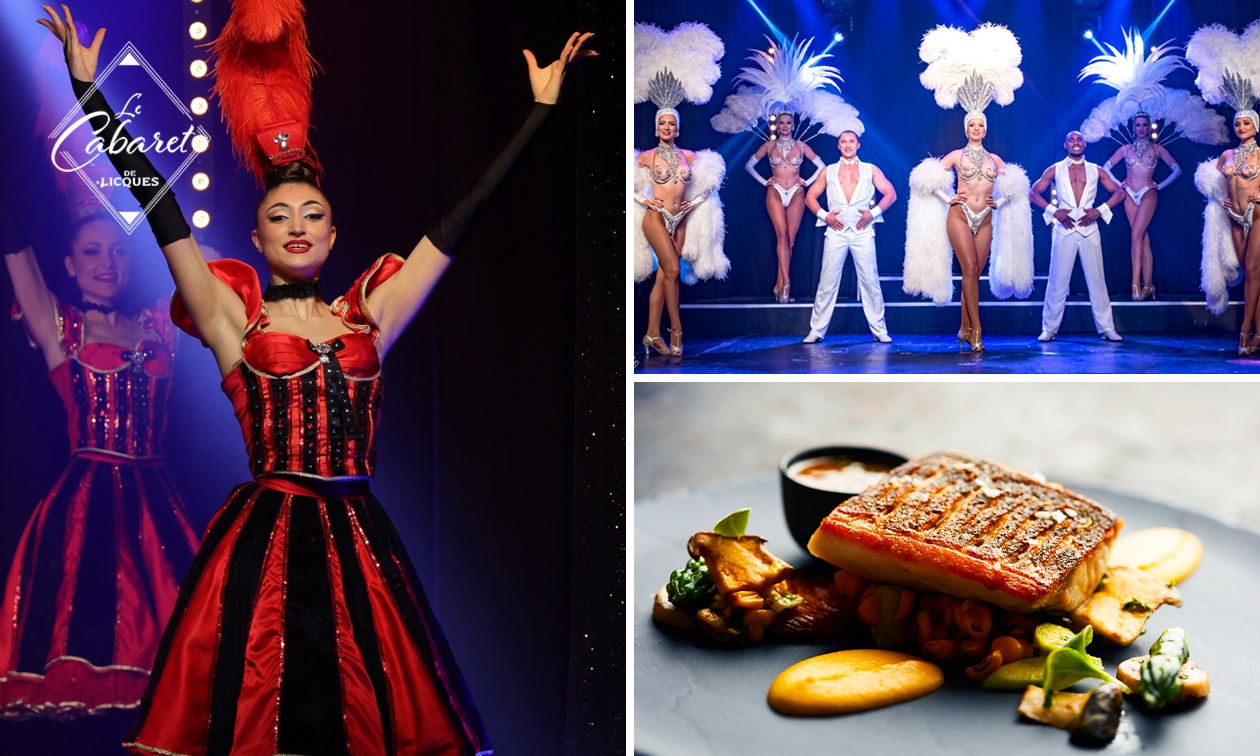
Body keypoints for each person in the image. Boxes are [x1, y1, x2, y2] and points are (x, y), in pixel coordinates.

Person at [37, 5, 592, 753]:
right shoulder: (234, 320)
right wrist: (89, 96)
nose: (297, 225)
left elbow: (461, 220)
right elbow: (160, 206)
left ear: (332, 233)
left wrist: (540, 113)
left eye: (312, 214)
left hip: (359, 539)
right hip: (264, 541)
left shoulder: (371, 315)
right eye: (280, 216)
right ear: (258, 236)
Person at [0, 206, 199, 719]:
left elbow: (209, 266)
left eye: (118, 251)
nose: (107, 262)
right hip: (86, 504)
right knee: (91, 631)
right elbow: (15, 245)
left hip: (159, 501)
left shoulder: (160, 324)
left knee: (181, 645)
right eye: (91, 252)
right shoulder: (61, 326)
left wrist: (153, 200)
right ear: (69, 264)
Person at [906, 24, 1034, 353]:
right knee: (969, 269)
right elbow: (924, 179)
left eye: (980, 125)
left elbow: (1016, 187)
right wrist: (948, 196)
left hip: (985, 217)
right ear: (966, 128)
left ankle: (963, 328)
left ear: (984, 129)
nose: (976, 128)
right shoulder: (955, 155)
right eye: (972, 125)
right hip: (960, 215)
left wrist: (999, 203)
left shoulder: (995, 158)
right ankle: (977, 330)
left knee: (974, 275)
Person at [1028, 131, 1126, 342]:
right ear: (1065, 145)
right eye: (1071, 140)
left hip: (1089, 228)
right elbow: (1033, 193)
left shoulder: (1095, 169)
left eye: (1079, 140)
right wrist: (1054, 212)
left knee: (1097, 279)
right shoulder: (1055, 169)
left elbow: (1120, 192)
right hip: (1064, 228)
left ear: (1084, 144)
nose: (1075, 143)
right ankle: (1049, 329)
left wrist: (1100, 210)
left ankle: (1107, 328)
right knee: (1057, 280)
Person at [802, 129, 895, 343]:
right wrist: (825, 216)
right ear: (838, 145)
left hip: (862, 231)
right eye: (843, 142)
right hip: (836, 232)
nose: (847, 145)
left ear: (858, 144)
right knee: (827, 281)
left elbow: (891, 194)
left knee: (870, 281)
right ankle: (816, 330)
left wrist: (873, 213)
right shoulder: (828, 171)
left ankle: (879, 330)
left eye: (851, 141)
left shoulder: (870, 169)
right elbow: (810, 197)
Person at [745, 113, 827, 302]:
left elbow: (822, 166)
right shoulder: (769, 146)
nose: (784, 126)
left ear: (793, 125)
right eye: (781, 123)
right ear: (777, 125)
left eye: (788, 122)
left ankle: (779, 285)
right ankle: (786, 285)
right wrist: (765, 182)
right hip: (775, 191)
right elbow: (748, 166)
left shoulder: (801, 146)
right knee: (781, 235)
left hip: (797, 192)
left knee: (790, 241)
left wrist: (807, 182)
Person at [1100, 114, 1181, 301]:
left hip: (1147, 193)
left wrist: (1159, 185)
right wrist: (1119, 183)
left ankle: (1135, 283)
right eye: (1138, 125)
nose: (1141, 128)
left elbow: (1177, 170)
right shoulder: (1125, 149)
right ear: (1133, 127)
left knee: (1136, 235)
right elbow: (1105, 167)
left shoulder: (1157, 149)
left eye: (1145, 125)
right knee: (1142, 239)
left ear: (1150, 127)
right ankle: (1149, 285)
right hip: (1129, 194)